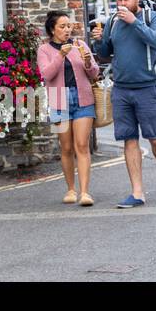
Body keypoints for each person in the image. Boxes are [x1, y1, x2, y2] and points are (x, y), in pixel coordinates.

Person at [90, 0, 156, 207]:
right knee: (129, 139)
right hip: (121, 88)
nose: (121, 4)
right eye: (118, 0)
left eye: (125, 0)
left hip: (148, 87)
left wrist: (135, 23)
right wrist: (99, 41)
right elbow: (105, 55)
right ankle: (138, 192)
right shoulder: (113, 21)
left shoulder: (152, 18)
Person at [37, 11, 100, 206]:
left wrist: (89, 62)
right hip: (58, 100)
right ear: (52, 29)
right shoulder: (44, 50)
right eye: (62, 26)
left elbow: (95, 72)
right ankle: (70, 189)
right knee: (66, 147)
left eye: (68, 26)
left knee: (82, 145)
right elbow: (46, 75)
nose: (67, 30)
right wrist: (60, 56)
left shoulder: (80, 45)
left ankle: (85, 192)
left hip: (83, 98)